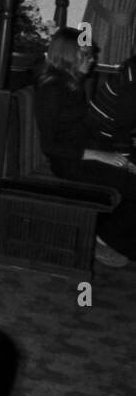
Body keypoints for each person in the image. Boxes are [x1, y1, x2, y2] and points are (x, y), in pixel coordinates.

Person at [34, 29, 136, 267]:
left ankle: (111, 237)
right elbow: (49, 146)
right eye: (86, 55)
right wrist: (101, 155)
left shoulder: (72, 84)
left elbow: (84, 131)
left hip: (83, 155)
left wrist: (118, 156)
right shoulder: (51, 89)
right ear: (70, 56)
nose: (92, 60)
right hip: (68, 163)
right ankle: (106, 237)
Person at [88, 51, 136, 153]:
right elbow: (121, 127)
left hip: (114, 136)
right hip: (100, 141)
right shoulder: (131, 79)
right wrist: (127, 162)